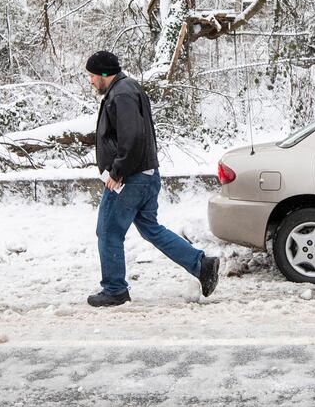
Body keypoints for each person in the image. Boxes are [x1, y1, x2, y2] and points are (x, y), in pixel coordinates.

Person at [84, 50, 220, 307]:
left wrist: (117, 171)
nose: (90, 81)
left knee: (108, 231)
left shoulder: (121, 93)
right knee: (152, 230)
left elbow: (132, 135)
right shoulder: (126, 89)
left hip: (130, 178)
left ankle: (114, 289)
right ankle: (201, 265)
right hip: (145, 174)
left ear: (104, 74)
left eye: (92, 75)